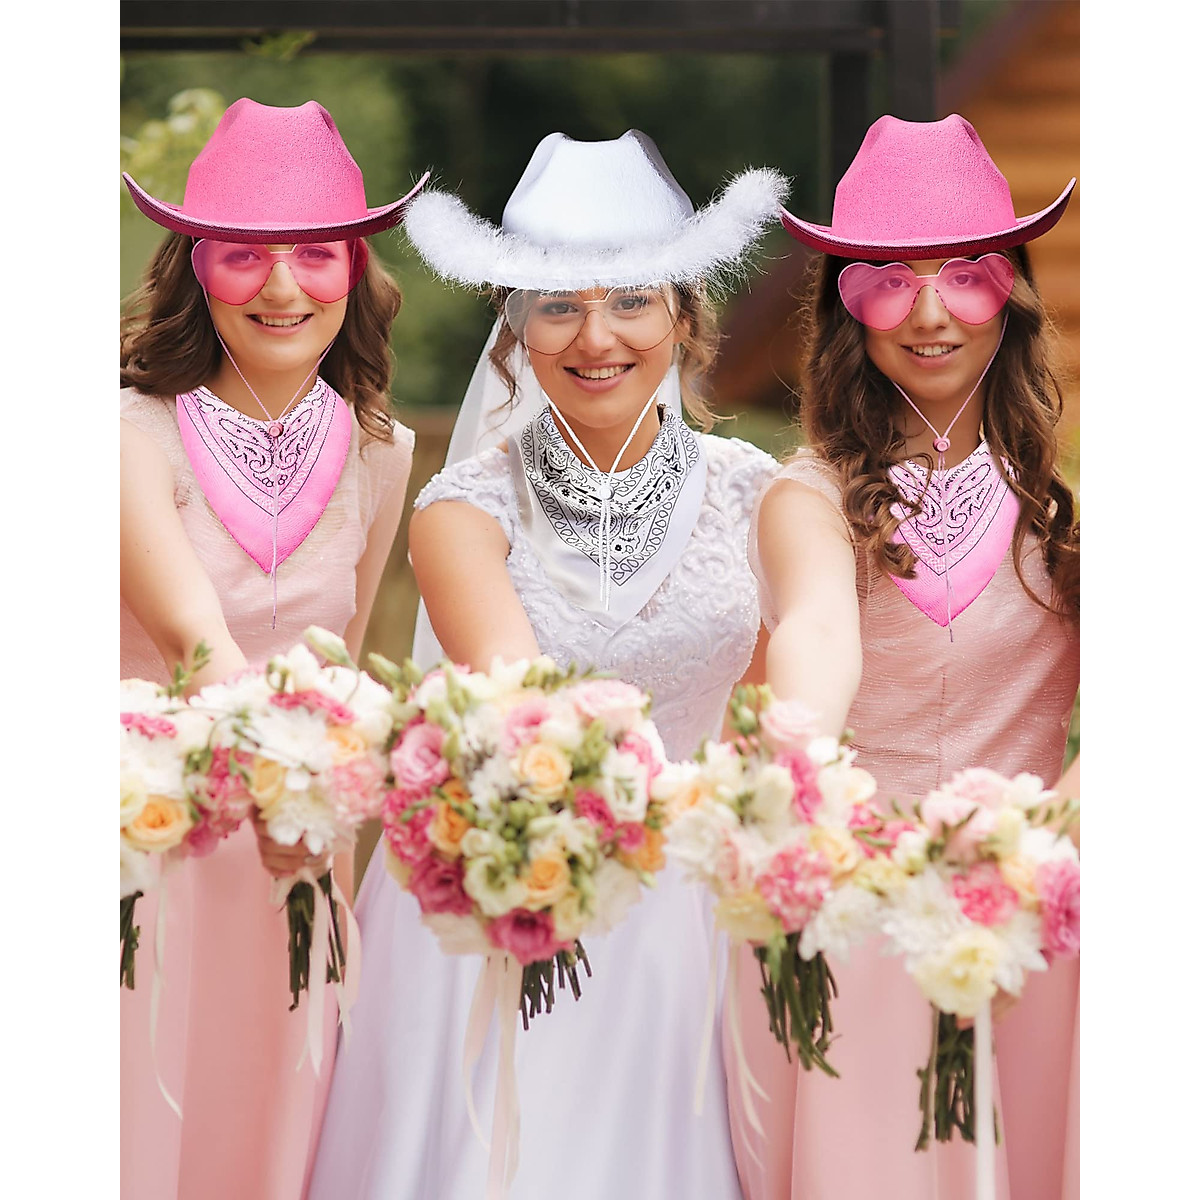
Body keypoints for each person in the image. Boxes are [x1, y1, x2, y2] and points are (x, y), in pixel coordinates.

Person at [308, 130, 786, 1199]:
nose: (595, 335)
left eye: (631, 301)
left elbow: (774, 708)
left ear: (685, 314)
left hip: (703, 906)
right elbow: (526, 704)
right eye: (556, 305)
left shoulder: (760, 494)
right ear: (514, 333)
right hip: (515, 879)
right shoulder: (463, 510)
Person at [728, 113, 1080, 1200]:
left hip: (1042, 910)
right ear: (846, 304)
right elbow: (821, 633)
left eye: (963, 279)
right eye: (889, 281)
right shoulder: (809, 494)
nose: (928, 316)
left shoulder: (1072, 508)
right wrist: (804, 768)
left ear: (1011, 293)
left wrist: (1064, 822)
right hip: (861, 895)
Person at [120, 98, 425, 1200]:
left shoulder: (382, 453)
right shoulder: (125, 431)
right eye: (247, 257)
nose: (285, 289)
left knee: (281, 1132)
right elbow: (193, 641)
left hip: (301, 853)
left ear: (357, 267)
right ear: (197, 269)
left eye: (317, 254)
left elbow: (339, 656)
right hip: (148, 846)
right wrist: (294, 780)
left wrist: (329, 809)